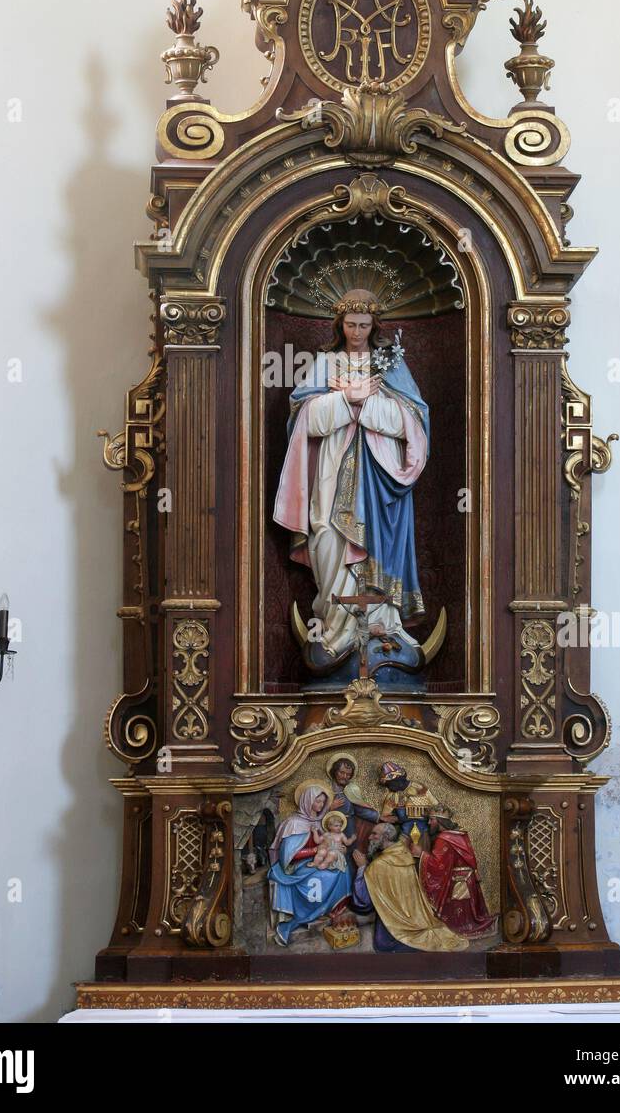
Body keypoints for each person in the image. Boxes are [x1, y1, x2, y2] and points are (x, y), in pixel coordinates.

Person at [273, 289, 429, 683]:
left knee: (377, 545)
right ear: (339, 325)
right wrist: (344, 400)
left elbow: (413, 421)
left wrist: (366, 405)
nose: (357, 332)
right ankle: (335, 629)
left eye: (364, 325)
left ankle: (381, 626)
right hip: (330, 470)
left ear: (374, 326)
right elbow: (303, 418)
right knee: (325, 532)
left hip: (379, 480)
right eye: (350, 324)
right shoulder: (325, 363)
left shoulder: (388, 362)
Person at [350, 822, 467, 953]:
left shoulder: (378, 866)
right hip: (416, 917)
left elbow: (363, 901)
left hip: (395, 922)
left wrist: (361, 868)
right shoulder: (404, 854)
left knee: (383, 944)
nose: (369, 837)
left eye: (374, 834)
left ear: (386, 837)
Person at [266, 783, 351, 946]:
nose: (320, 806)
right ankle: (306, 914)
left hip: (317, 859)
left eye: (322, 802)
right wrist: (314, 850)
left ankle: (332, 909)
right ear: (307, 800)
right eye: (317, 801)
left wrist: (340, 849)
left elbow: (328, 842)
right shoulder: (293, 823)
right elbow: (288, 856)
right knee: (323, 875)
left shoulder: (319, 821)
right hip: (294, 866)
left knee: (341, 868)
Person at [418, 807, 497, 937]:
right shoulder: (459, 835)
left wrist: (421, 855)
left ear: (439, 821)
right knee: (468, 915)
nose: (429, 823)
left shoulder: (443, 839)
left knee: (456, 924)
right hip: (467, 881)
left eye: (431, 819)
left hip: (456, 883)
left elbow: (438, 865)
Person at [324, 753, 379, 849]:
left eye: (348, 774)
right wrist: (329, 808)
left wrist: (378, 816)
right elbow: (312, 815)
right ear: (334, 772)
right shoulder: (325, 790)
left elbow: (360, 809)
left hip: (349, 828)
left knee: (350, 851)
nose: (345, 776)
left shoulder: (349, 791)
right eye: (341, 772)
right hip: (329, 829)